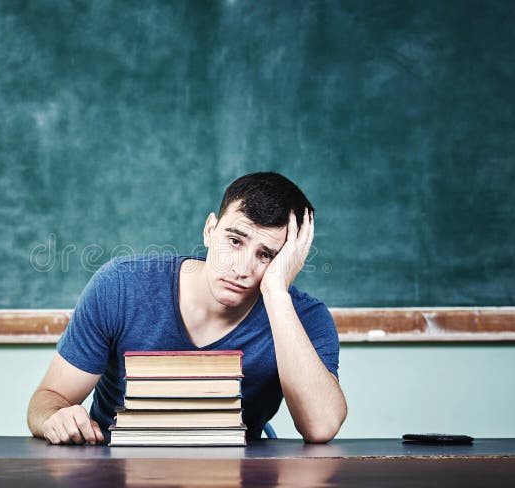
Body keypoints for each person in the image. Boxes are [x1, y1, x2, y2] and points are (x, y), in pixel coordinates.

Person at [27, 172, 347, 444]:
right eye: (234, 241)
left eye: (266, 255)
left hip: (233, 475)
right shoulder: (120, 286)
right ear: (210, 230)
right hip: (118, 471)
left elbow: (320, 426)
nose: (241, 268)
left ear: (290, 261)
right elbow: (47, 400)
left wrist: (276, 293)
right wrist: (56, 418)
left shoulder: (304, 317)